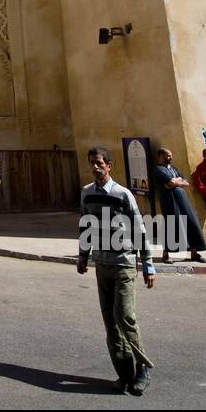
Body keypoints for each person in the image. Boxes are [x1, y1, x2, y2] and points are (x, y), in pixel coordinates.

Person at [77, 146, 156, 395]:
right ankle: (124, 373)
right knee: (110, 321)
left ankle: (143, 367)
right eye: (92, 163)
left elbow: (139, 229)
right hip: (102, 264)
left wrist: (148, 264)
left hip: (123, 263)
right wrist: (83, 256)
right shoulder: (86, 193)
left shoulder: (123, 194)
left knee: (125, 316)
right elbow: (85, 225)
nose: (95, 167)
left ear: (109, 165)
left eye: (99, 163)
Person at [151, 148, 206, 263]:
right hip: (169, 201)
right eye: (168, 155)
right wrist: (175, 182)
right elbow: (170, 183)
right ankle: (166, 254)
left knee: (190, 223)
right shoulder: (158, 170)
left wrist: (176, 182)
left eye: (171, 155)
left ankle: (194, 252)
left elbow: (185, 182)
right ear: (161, 156)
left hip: (182, 200)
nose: (170, 158)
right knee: (171, 225)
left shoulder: (174, 169)